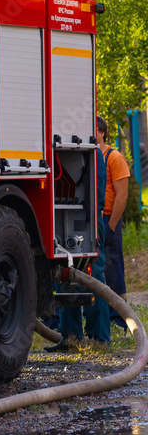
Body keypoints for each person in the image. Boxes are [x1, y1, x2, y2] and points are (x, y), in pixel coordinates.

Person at [46, 142, 110, 351]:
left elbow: (96, 196)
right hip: (62, 218)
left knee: (93, 276)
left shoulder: (93, 154)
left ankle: (99, 338)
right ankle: (71, 338)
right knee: (64, 274)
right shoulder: (57, 149)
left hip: (88, 220)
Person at [97, 115, 130, 330]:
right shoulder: (90, 156)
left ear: (101, 132)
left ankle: (118, 318)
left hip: (109, 219)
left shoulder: (114, 157)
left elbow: (122, 195)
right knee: (96, 269)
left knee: (113, 267)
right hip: (94, 219)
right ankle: (101, 313)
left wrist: (111, 224)